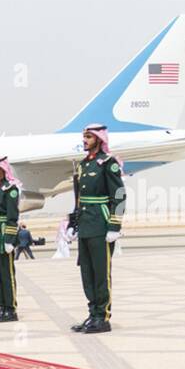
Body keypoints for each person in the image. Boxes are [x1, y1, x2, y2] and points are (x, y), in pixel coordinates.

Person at [64, 125, 123, 333]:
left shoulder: (108, 163)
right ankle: (93, 314)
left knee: (101, 274)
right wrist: (74, 223)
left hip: (101, 223)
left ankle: (103, 317)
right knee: (87, 274)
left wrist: (115, 225)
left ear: (98, 138)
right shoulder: (83, 165)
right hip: (87, 224)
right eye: (84, 137)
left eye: (88, 137)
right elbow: (78, 198)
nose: (85, 140)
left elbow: (119, 196)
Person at [0, 157, 21, 322]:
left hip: (3, 236)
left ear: (2, 169)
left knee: (7, 274)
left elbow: (12, 216)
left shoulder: (10, 189)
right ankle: (2, 307)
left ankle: (11, 309)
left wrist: (9, 238)